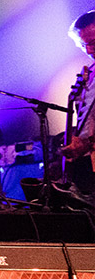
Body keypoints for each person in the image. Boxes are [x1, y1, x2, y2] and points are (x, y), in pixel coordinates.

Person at [58, 10, 95, 193]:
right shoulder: (89, 72)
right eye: (83, 45)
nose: (88, 51)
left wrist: (86, 143)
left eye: (93, 43)